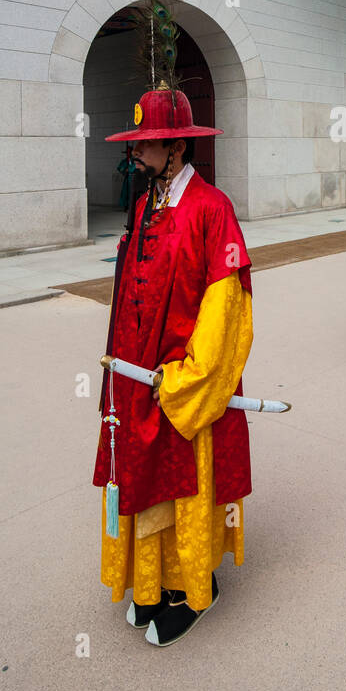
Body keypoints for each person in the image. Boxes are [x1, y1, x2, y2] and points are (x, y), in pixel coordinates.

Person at [95, 83, 253, 646]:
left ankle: (193, 587)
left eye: (149, 143)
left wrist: (191, 378)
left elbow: (226, 303)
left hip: (179, 380)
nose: (138, 152)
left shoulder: (213, 209)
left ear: (178, 149)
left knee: (184, 481)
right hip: (136, 376)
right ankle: (152, 581)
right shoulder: (143, 206)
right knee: (144, 478)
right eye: (138, 144)